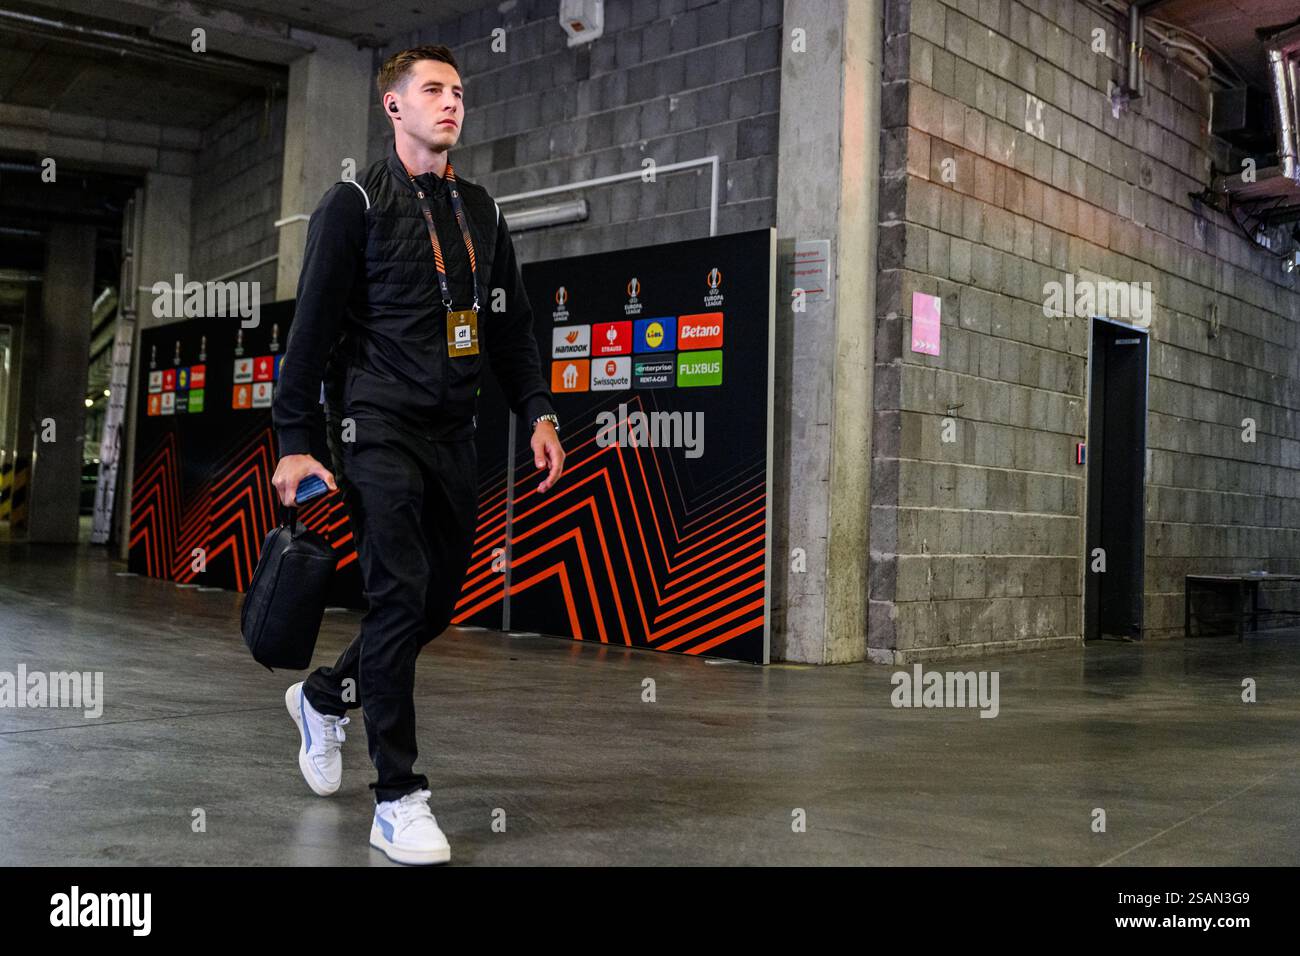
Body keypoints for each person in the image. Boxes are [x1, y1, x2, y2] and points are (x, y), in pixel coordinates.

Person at [270, 43, 565, 866]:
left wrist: (537, 411)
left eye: (459, 92)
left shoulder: (483, 212)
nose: (451, 103)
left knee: (431, 608)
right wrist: (297, 442)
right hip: (376, 427)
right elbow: (312, 333)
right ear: (394, 107)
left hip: (453, 433)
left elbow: (509, 328)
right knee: (398, 593)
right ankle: (398, 798)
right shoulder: (353, 202)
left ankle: (325, 698)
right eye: (432, 90)